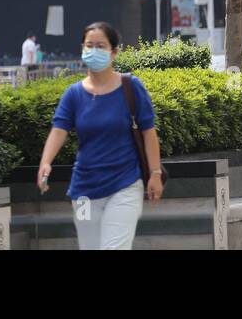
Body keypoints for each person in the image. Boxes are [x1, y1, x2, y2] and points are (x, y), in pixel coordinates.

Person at [37, 22, 163, 250]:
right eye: (89, 45)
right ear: (82, 49)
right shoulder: (74, 94)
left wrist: (155, 173)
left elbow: (148, 131)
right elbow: (58, 130)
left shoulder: (131, 87)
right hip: (83, 193)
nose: (94, 51)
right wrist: (45, 162)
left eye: (101, 46)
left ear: (114, 52)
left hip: (125, 186)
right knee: (89, 247)